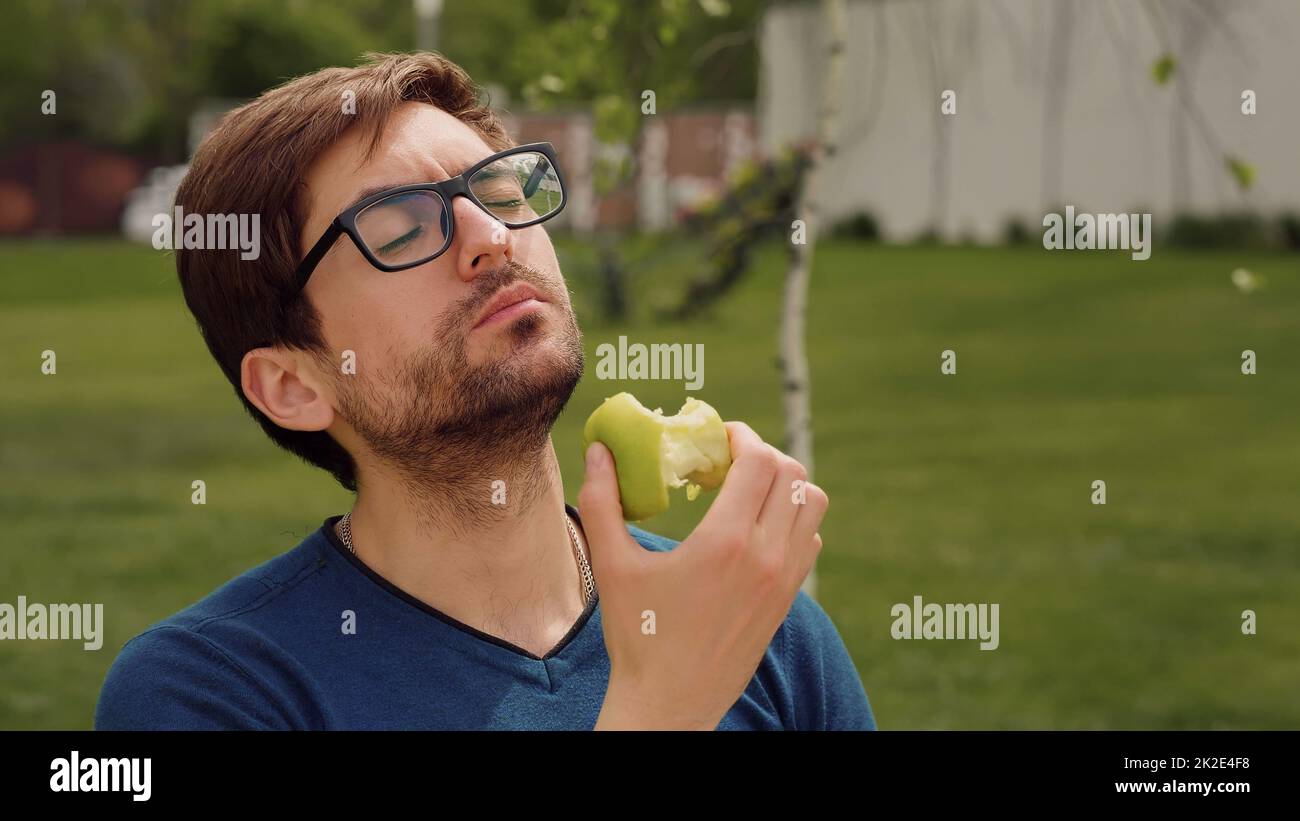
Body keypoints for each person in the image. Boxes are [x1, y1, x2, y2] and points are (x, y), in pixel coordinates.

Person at [94, 52, 876, 730]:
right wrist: (662, 706)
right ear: (294, 385)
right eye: (398, 227)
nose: (491, 238)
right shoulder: (211, 690)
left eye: (500, 189)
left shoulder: (754, 627)